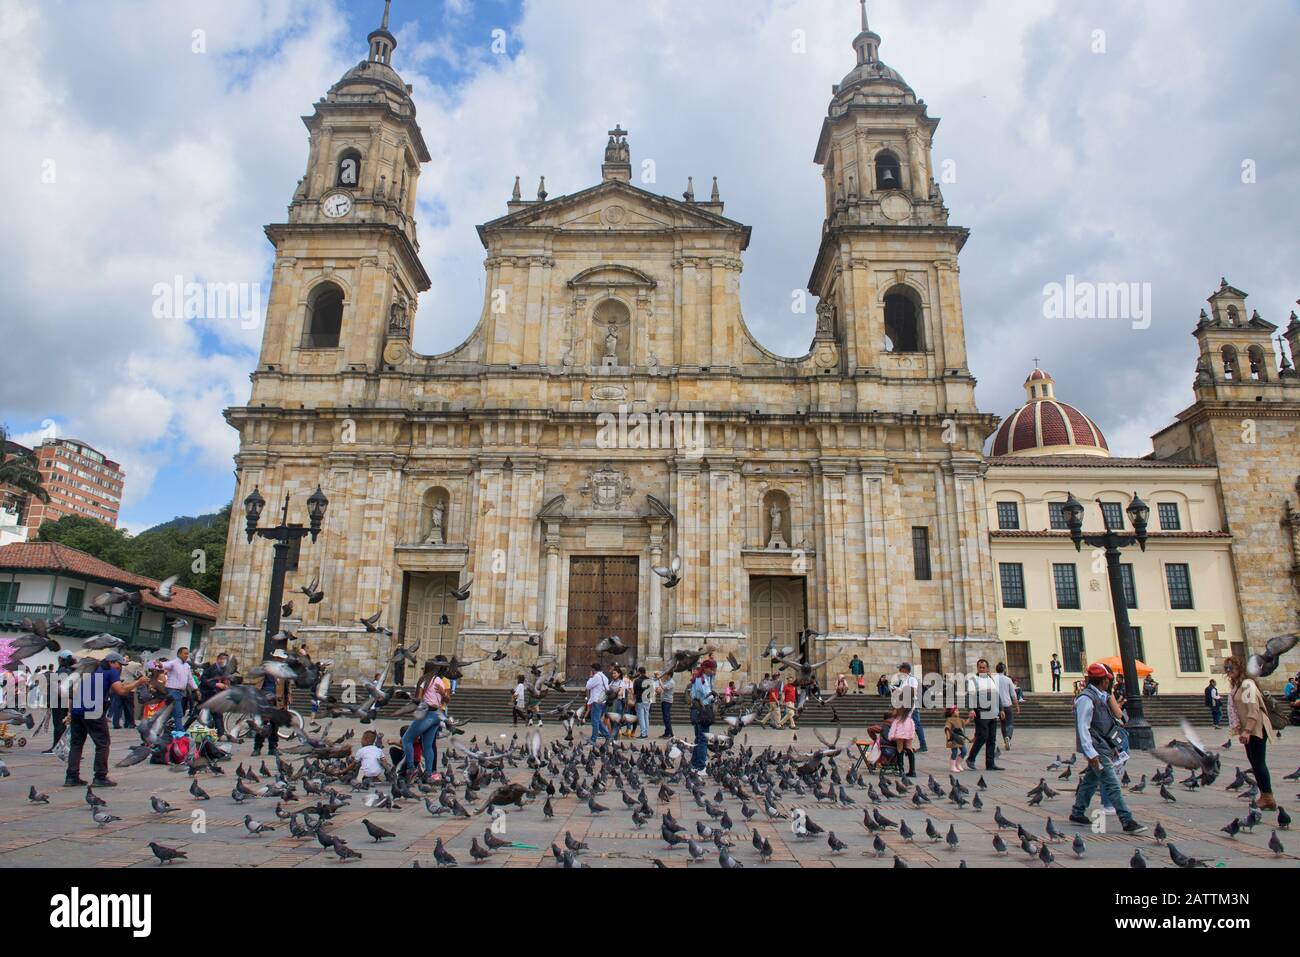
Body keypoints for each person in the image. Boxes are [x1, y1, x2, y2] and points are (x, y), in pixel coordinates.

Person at [1069, 662, 1146, 833]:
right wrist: (1091, 753)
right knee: (1112, 783)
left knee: (1090, 780)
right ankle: (1127, 820)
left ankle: (1077, 811)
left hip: (1102, 747)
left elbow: (1117, 715)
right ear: (1103, 681)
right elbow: (1083, 728)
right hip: (1097, 749)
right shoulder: (1086, 699)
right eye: (1107, 680)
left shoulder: (1100, 696)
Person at [64, 652, 149, 788]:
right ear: (112, 662)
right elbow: (120, 691)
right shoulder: (110, 671)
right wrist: (138, 682)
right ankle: (100, 776)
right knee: (103, 743)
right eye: (120, 664)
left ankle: (71, 776)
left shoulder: (91, 669)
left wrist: (69, 712)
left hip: (77, 708)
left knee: (76, 744)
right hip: (93, 709)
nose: (120, 667)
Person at [1225, 655, 1276, 810]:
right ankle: (1265, 796)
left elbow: (1253, 709)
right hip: (1249, 728)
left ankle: (1268, 797)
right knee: (1254, 762)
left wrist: (1247, 731)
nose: (1228, 671)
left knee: (1259, 763)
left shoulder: (1247, 685)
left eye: (1230, 668)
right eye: (1226, 668)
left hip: (1256, 728)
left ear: (1239, 668)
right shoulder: (1237, 685)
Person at [403, 658, 448, 782]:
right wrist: (443, 694)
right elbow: (446, 701)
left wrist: (409, 697)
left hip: (427, 714)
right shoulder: (440, 680)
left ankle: (411, 769)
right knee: (427, 745)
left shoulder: (424, 680)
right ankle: (428, 773)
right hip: (437, 715)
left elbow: (418, 699)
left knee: (407, 739)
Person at [964, 659, 1004, 771]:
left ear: (987, 668)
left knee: (992, 738)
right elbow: (970, 696)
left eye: (984, 667)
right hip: (981, 712)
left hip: (993, 712)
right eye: (980, 667)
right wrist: (971, 709)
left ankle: (990, 764)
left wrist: (1001, 709)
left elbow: (997, 694)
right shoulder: (973, 680)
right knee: (983, 736)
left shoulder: (991, 679)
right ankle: (971, 758)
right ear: (977, 668)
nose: (982, 669)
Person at [252, 652, 289, 757]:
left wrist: (288, 698)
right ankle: (257, 747)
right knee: (262, 725)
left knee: (274, 726)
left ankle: (272, 748)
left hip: (277, 701)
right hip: (264, 700)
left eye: (281, 659)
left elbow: (287, 685)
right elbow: (257, 681)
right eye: (279, 658)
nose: (281, 660)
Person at [43, 651, 76, 754]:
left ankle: (56, 747)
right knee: (64, 724)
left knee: (58, 724)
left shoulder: (62, 670)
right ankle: (63, 746)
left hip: (58, 700)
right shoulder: (73, 670)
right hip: (68, 700)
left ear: (62, 659)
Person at [689, 659, 717, 774]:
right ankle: (701, 766)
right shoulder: (701, 679)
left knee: (698, 738)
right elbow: (707, 695)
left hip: (697, 711)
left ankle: (695, 764)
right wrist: (714, 697)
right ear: (705, 668)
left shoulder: (702, 677)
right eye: (712, 669)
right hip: (702, 712)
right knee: (703, 740)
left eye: (714, 669)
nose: (713, 671)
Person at [892, 662, 926, 752]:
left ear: (905, 670)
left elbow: (912, 691)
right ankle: (906, 746)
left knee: (916, 725)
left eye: (900, 669)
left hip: (911, 706)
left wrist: (899, 690)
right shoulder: (905, 680)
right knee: (907, 725)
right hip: (905, 706)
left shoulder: (912, 679)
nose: (899, 671)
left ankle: (923, 746)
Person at [196, 653, 230, 736]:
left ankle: (221, 734)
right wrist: (216, 684)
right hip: (206, 694)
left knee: (217, 715)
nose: (223, 661)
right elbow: (203, 680)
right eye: (222, 659)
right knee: (196, 714)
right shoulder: (210, 668)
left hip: (216, 696)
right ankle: (183, 728)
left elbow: (225, 681)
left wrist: (226, 686)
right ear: (218, 659)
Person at [584, 663, 612, 744]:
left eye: (591, 669)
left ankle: (593, 739)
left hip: (597, 701)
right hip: (603, 701)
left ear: (593, 669)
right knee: (597, 720)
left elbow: (588, 686)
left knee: (595, 721)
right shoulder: (604, 677)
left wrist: (590, 677)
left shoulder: (596, 677)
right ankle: (607, 736)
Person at [994, 662, 1019, 752]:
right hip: (1007, 705)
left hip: (997, 706)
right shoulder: (1008, 680)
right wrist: (1017, 706)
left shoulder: (993, 679)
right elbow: (1013, 694)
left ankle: (1005, 739)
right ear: (1004, 669)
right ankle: (1008, 737)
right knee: (1010, 723)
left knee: (1003, 723)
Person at [944, 706, 968, 774]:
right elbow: (947, 728)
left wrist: (970, 718)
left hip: (960, 739)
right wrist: (949, 739)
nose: (958, 712)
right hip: (953, 739)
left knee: (964, 751)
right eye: (956, 711)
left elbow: (965, 723)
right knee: (954, 752)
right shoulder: (949, 720)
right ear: (952, 712)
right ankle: (953, 766)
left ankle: (958, 763)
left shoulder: (960, 719)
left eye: (958, 710)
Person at [635, 667, 653, 739]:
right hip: (647, 700)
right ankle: (646, 732)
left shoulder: (637, 681)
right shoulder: (649, 680)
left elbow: (635, 692)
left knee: (641, 717)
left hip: (640, 700)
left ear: (639, 672)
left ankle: (643, 733)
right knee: (646, 716)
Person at [656, 671, 675, 739]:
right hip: (664, 701)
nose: (664, 676)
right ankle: (667, 733)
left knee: (666, 718)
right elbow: (662, 689)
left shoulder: (671, 682)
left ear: (669, 675)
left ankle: (670, 733)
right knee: (665, 718)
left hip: (667, 701)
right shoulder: (668, 681)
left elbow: (663, 687)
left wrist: (659, 679)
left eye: (665, 674)